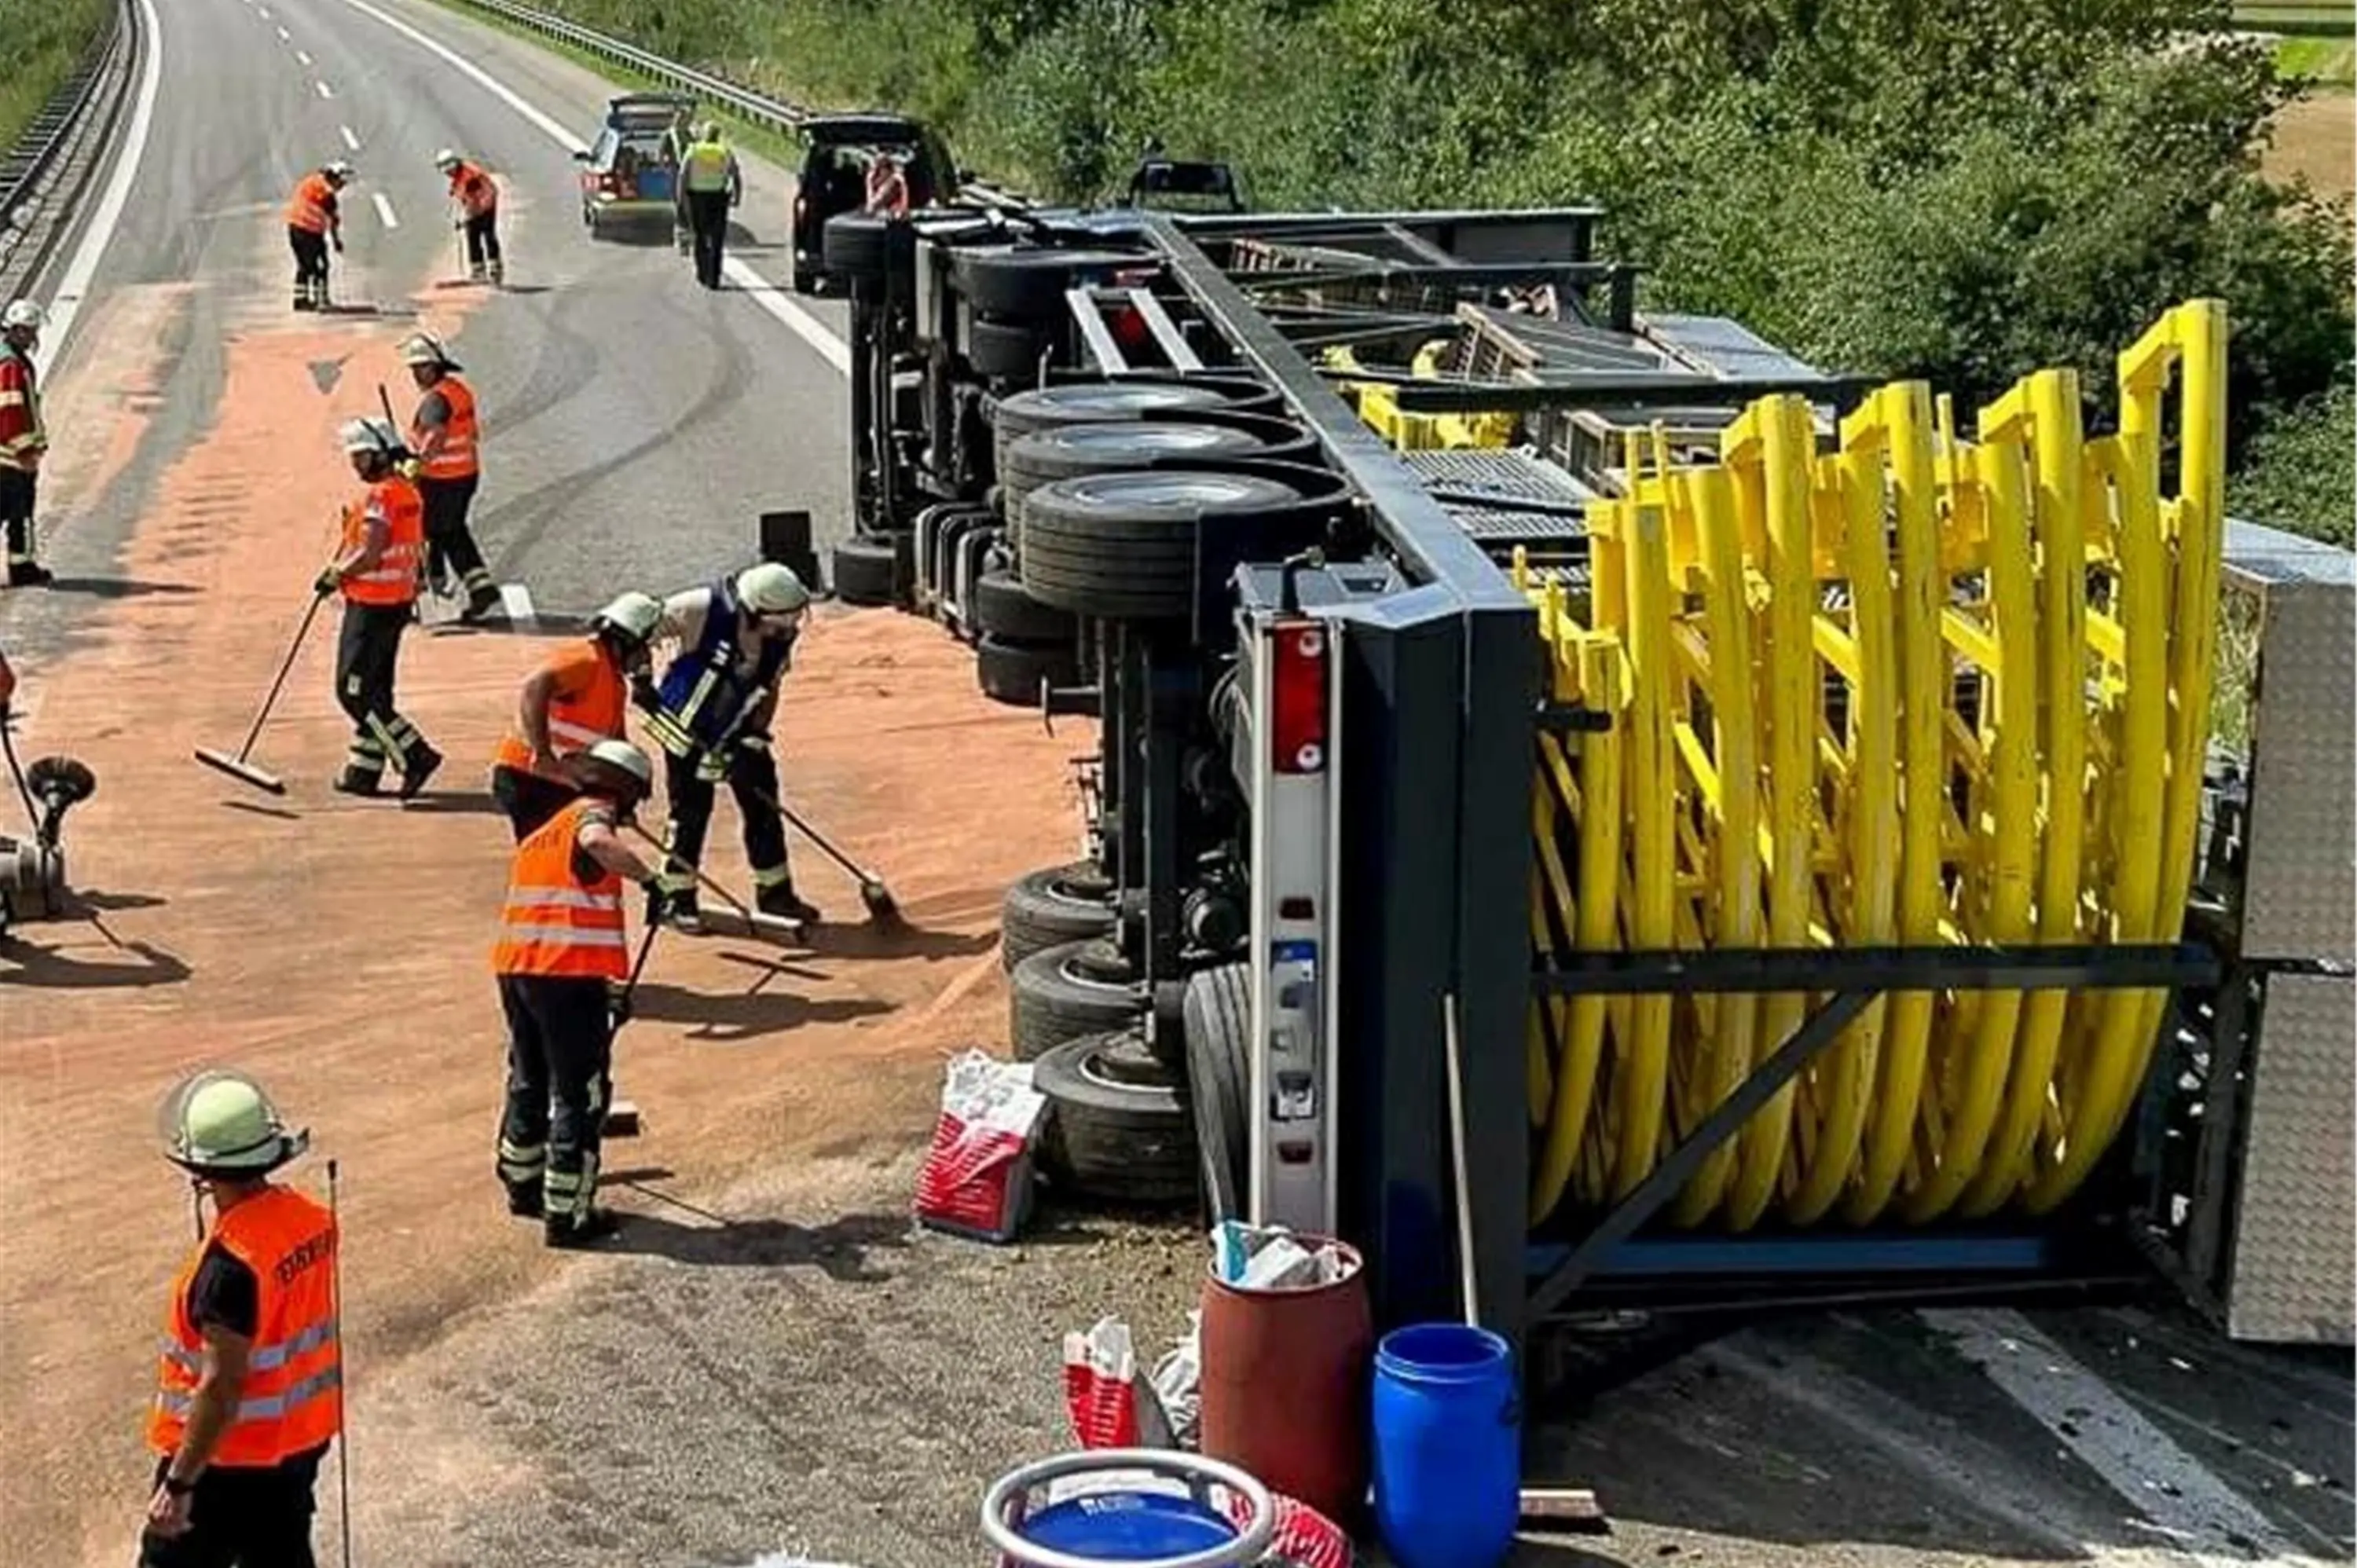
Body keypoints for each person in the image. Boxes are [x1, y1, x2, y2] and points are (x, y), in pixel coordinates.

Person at [141, 1070, 340, 1566]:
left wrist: (180, 1482)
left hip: (228, 1463)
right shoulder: (310, 1220)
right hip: (299, 1443)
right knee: (280, 1552)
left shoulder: (228, 1269)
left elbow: (221, 1387)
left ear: (200, 1172)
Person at [493, 738, 665, 1246]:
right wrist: (651, 878)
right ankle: (568, 1214)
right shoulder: (592, 814)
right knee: (580, 1092)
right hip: (563, 976)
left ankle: (523, 1185)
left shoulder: (547, 826)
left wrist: (605, 989)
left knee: (528, 1077)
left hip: (518, 968)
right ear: (624, 790)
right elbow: (597, 845)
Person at [640, 562, 819, 932]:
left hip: (737, 729)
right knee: (689, 811)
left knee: (763, 803)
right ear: (754, 611)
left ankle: (776, 893)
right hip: (684, 729)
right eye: (780, 621)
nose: (789, 628)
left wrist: (753, 735)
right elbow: (640, 628)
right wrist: (640, 680)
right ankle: (676, 897)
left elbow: (770, 686)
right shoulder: (701, 607)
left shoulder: (781, 636)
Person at [318, 417, 442, 798]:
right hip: (396, 603)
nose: (356, 465)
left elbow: (371, 554)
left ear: (379, 454)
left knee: (353, 692)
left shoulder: (380, 497)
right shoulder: (407, 491)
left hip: (370, 606)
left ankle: (414, 753)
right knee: (375, 690)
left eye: (361, 457)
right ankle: (363, 769)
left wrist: (335, 574)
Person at [489, 591, 662, 840]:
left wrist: (622, 797)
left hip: (561, 777)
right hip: (529, 774)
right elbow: (535, 687)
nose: (647, 658)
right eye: (645, 648)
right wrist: (543, 755)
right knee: (558, 853)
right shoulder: (587, 660)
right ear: (629, 641)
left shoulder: (614, 683)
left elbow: (614, 744)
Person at [398, 332, 500, 621]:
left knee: (426, 532)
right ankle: (480, 587)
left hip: (441, 479)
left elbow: (437, 435)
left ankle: (423, 591)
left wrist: (417, 464)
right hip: (464, 474)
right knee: (451, 531)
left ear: (435, 367)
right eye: (414, 369)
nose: (416, 375)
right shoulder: (457, 390)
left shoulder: (436, 400)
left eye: (421, 369)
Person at [0, 299, 50, 587]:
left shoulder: (11, 358)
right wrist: (25, 450)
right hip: (11, 458)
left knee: (13, 513)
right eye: (30, 331)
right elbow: (10, 410)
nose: (34, 337)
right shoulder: (10, 364)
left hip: (8, 456)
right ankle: (22, 569)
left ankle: (23, 566)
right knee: (19, 514)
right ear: (17, 330)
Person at [678, 121, 742, 290]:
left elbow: (683, 175)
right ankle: (714, 277)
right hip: (718, 198)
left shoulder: (694, 150)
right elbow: (735, 174)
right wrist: (737, 195)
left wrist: (681, 197)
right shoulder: (724, 151)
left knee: (699, 237)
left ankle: (702, 272)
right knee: (717, 239)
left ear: (704, 135)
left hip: (697, 198)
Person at [285, 161, 353, 311]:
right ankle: (317, 299)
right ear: (333, 177)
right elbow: (333, 219)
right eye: (340, 183)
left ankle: (302, 300)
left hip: (298, 229)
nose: (342, 187)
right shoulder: (325, 193)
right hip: (306, 231)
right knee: (317, 266)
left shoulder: (311, 182)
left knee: (306, 266)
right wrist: (336, 241)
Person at [434, 148, 504, 286]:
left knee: (487, 235)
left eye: (448, 171)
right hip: (478, 204)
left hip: (486, 205)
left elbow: (474, 201)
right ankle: (478, 269)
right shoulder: (460, 173)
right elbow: (463, 196)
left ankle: (494, 268)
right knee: (473, 237)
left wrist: (464, 219)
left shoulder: (470, 176)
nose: (448, 174)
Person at [863, 148, 910, 218]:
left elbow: (904, 191)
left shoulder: (896, 177)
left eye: (884, 166)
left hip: (893, 202)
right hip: (878, 201)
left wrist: (903, 207)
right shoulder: (872, 176)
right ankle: (876, 206)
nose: (882, 170)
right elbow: (869, 190)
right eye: (880, 166)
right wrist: (870, 202)